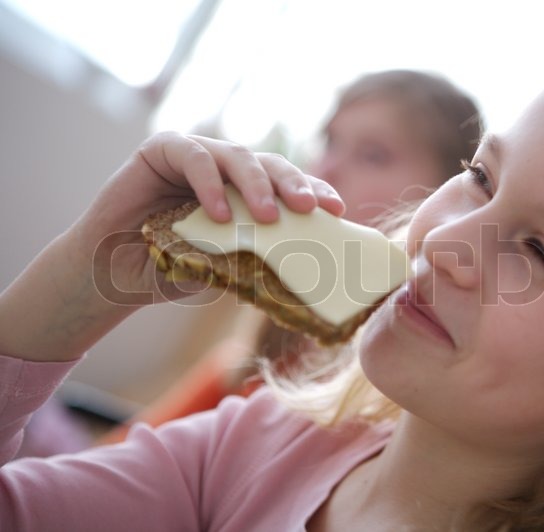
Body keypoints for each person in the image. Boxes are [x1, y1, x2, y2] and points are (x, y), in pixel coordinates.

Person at [1, 37, 544, 531]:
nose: (446, 238)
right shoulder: (258, 446)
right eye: (481, 177)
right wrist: (82, 277)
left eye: (543, 253)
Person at [90, 69, 484, 446]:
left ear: (441, 197)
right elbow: (120, 454)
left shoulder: (399, 403)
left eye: (373, 155)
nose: (326, 168)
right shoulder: (265, 343)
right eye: (329, 142)